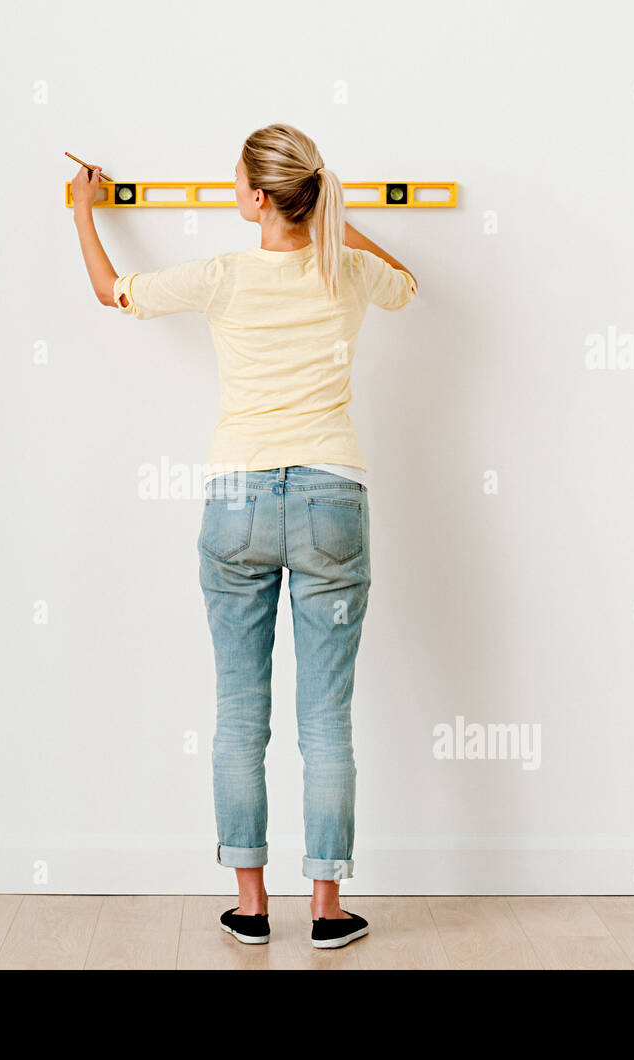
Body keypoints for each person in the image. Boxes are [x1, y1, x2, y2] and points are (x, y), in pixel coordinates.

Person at [71, 123, 416, 949]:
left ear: (258, 199)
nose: (231, 190)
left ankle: (252, 906)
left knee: (238, 712)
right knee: (325, 719)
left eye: (237, 181)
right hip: (334, 493)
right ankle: (329, 912)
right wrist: (331, 214)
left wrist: (84, 211)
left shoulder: (225, 277)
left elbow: (111, 290)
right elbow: (408, 282)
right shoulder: (353, 272)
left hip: (237, 498)